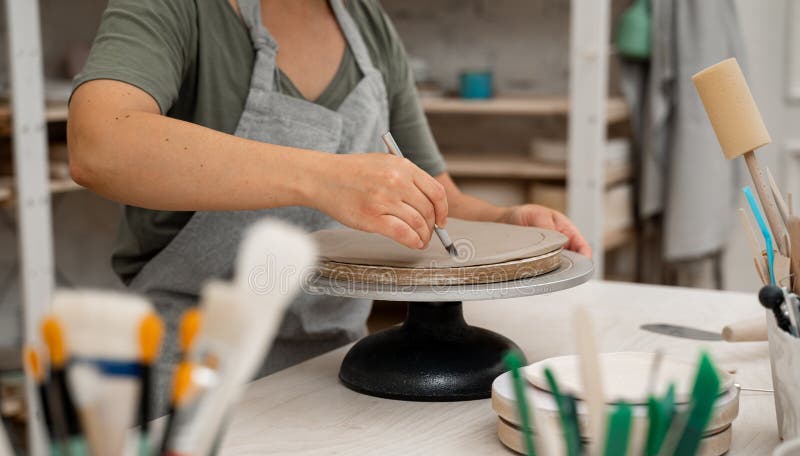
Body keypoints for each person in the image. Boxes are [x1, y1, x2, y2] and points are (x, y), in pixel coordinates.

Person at [68, 0, 591, 383]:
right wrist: (324, 178)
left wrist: (504, 221)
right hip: (187, 373)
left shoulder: (367, 25)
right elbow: (98, 144)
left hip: (333, 368)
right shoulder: (176, 8)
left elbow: (435, 197)